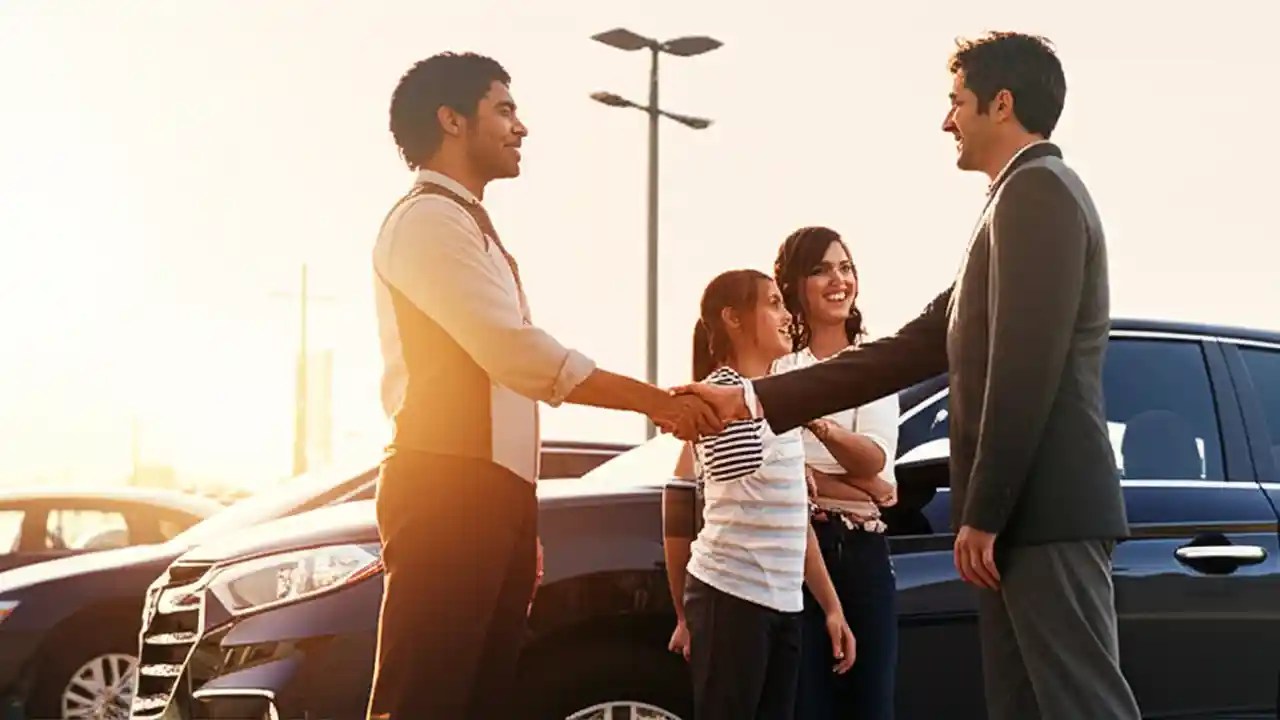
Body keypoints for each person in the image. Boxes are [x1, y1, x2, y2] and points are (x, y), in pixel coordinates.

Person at [671, 32, 1142, 720]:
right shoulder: (1009, 203)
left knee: (1079, 707)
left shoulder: (1038, 193)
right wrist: (751, 398)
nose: (947, 120)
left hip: (1046, 516)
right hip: (1023, 520)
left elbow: (1025, 368)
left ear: (1000, 104)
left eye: (956, 103)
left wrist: (985, 511)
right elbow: (914, 346)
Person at [368, 52, 720, 720]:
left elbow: (509, 382)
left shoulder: (467, 223)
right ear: (451, 120)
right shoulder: (427, 221)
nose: (520, 127)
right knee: (427, 695)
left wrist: (518, 507)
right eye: (503, 109)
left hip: (488, 494)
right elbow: (518, 356)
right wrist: (655, 403)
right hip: (446, 489)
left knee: (478, 698)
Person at [661, 269, 855, 720]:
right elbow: (714, 481)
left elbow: (792, 517)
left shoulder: (771, 400)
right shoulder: (724, 398)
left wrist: (831, 607)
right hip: (732, 598)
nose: (787, 315)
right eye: (773, 303)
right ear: (732, 318)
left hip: (782, 603)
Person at [771, 226, 900, 720]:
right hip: (792, 553)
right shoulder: (780, 369)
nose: (837, 280)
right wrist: (857, 485)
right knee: (806, 705)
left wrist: (815, 426)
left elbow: (873, 462)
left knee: (870, 705)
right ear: (794, 285)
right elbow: (775, 471)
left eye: (845, 268)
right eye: (821, 269)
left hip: (861, 552)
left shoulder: (874, 364)